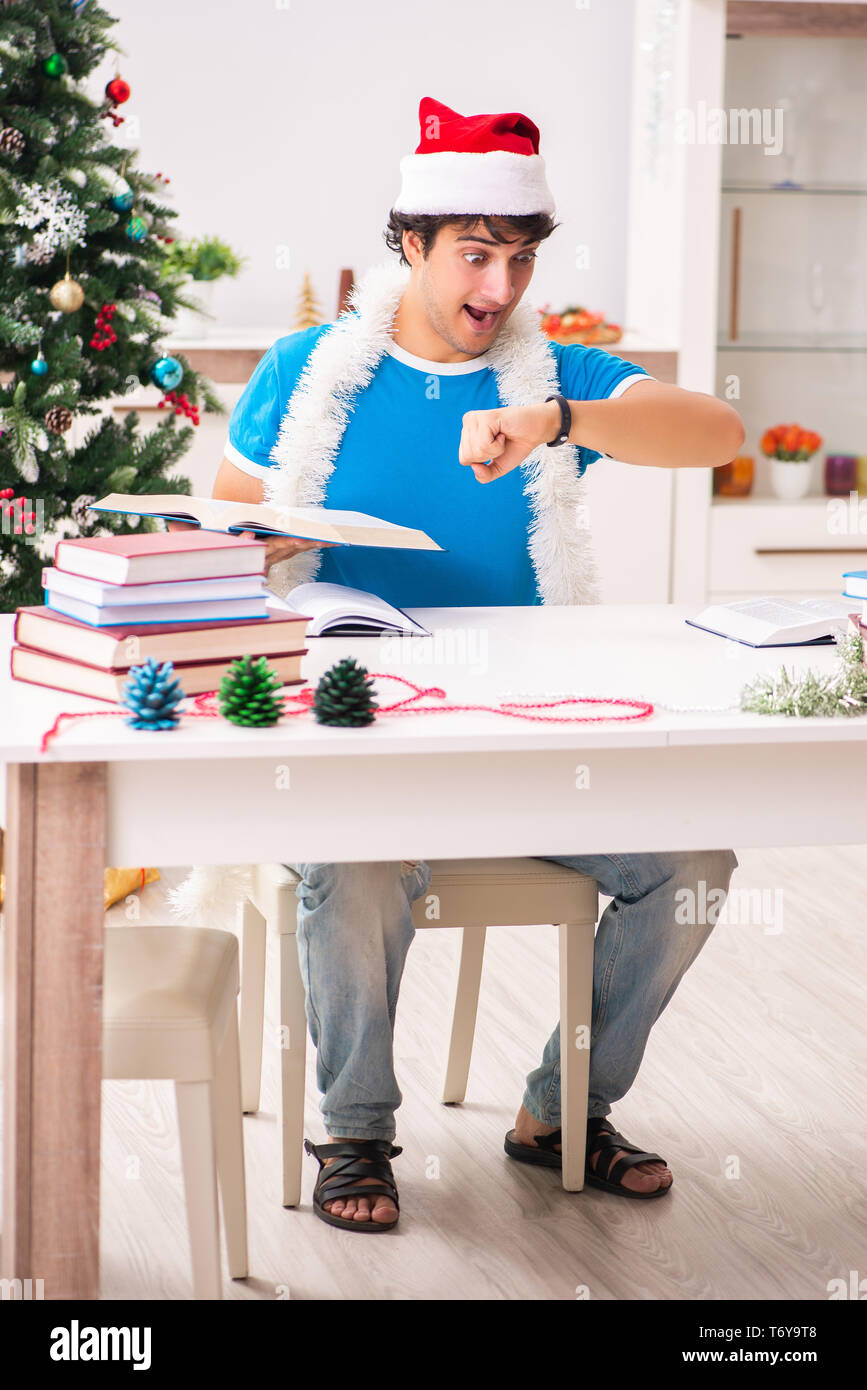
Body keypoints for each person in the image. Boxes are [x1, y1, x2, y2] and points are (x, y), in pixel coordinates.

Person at [181, 96, 743, 1232]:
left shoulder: (551, 377)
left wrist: (559, 421)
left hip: (533, 742)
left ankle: (560, 1111)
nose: (497, 288)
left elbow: (716, 433)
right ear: (412, 246)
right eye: (473, 256)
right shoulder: (309, 370)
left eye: (519, 259)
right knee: (353, 866)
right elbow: (216, 533)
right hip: (367, 735)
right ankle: (355, 1130)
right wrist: (271, 546)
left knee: (693, 860)